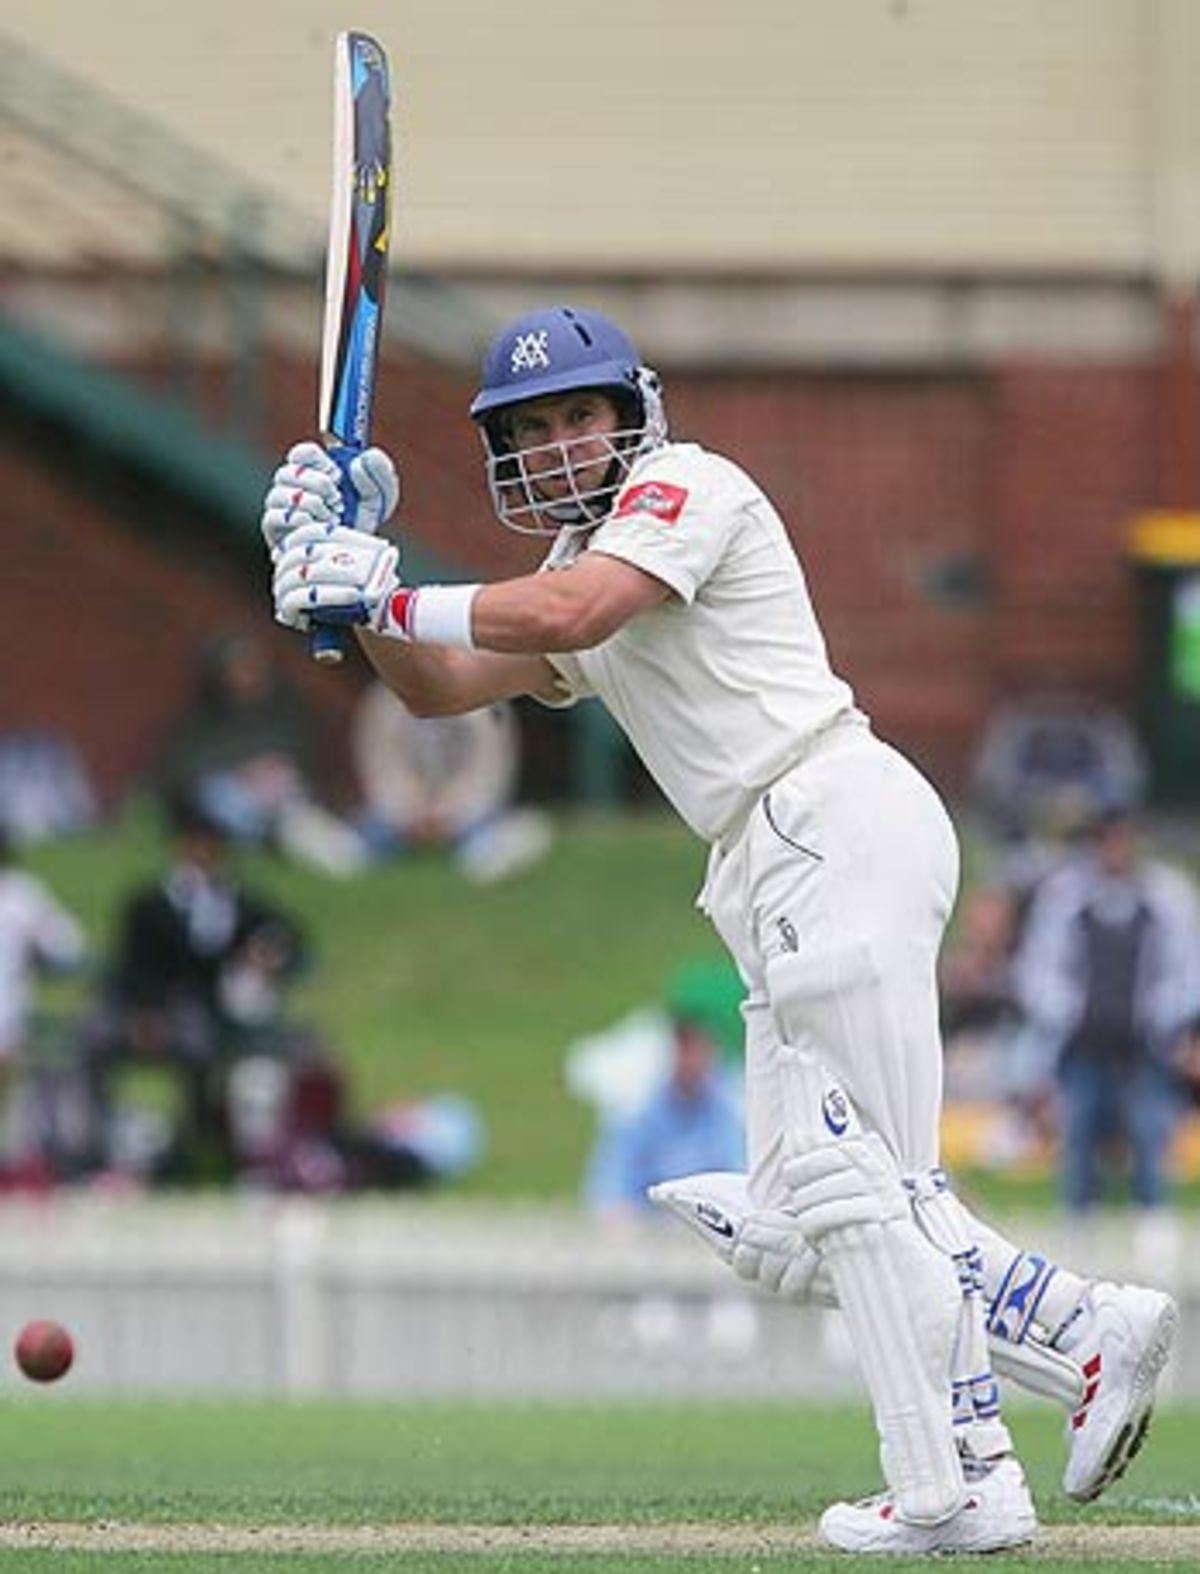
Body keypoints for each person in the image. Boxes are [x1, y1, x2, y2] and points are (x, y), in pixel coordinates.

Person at [261, 303, 1176, 1554]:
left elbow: (572, 613)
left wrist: (398, 587)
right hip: (774, 860)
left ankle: (952, 1482)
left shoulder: (688, 491)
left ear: (630, 412)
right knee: (798, 1217)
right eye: (534, 428)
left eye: (580, 415)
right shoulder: (580, 560)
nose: (563, 443)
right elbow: (445, 688)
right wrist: (351, 582)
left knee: (857, 1184)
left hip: (825, 817)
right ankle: (1084, 1328)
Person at [76, 793, 309, 1183]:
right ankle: (94, 1145)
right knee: (89, 1041)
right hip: (143, 1005)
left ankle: (194, 1145)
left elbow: (286, 936)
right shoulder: (148, 903)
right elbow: (130, 964)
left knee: (201, 1048)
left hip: (201, 1011)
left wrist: (266, 955)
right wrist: (143, 1012)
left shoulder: (235, 903)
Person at [1012, 803, 1200, 1272]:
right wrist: (1070, 1012)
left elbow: (1188, 971)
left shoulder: (1168, 898)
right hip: (1082, 1048)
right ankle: (1076, 1255)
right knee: (1076, 1143)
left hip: (1143, 1048)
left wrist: (1161, 1017)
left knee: (1150, 1139)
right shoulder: (1065, 899)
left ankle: (1156, 1254)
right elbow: (1036, 970)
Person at [154, 630, 366, 878]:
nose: (248, 677)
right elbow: (184, 771)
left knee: (297, 809)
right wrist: (242, 772)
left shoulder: (285, 712)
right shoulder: (203, 720)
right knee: (226, 795)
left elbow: (302, 758)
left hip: (283, 797)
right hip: (229, 800)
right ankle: (264, 841)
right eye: (239, 669)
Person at [582, 970, 746, 1225]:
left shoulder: (730, 1112)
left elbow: (740, 1182)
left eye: (695, 1047)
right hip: (648, 1237)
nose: (689, 1058)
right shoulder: (639, 1113)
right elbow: (609, 1191)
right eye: (682, 1046)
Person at [351, 681, 552, 882]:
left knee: (494, 841)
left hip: (468, 817)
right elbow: (379, 760)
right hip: (400, 817)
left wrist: (449, 814)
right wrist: (409, 811)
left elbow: (488, 769)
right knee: (364, 839)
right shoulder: (385, 699)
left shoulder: (485, 697)